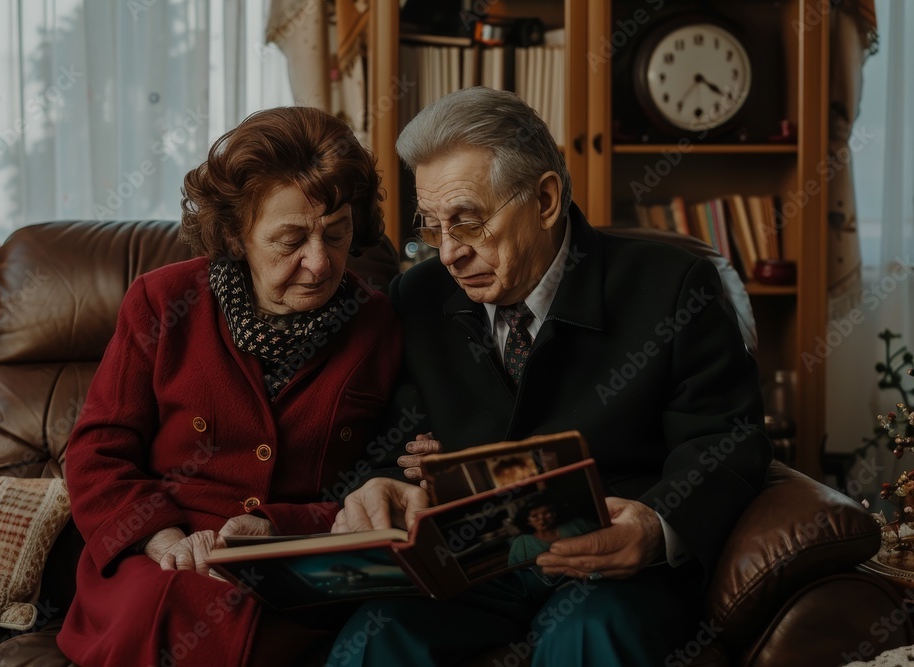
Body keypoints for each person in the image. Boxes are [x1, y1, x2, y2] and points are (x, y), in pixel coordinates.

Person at [328, 87, 772, 667]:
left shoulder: (671, 286)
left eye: (467, 221)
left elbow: (727, 439)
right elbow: (396, 444)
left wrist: (657, 523)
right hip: (472, 567)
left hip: (611, 567)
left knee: (589, 637)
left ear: (544, 198)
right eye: (432, 227)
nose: (449, 253)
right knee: (374, 640)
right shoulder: (418, 295)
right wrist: (386, 483)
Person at [57, 107, 402, 667]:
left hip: (295, 565)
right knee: (168, 600)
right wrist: (165, 540)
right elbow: (97, 453)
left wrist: (277, 526)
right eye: (290, 240)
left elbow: (380, 480)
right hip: (159, 557)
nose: (318, 263)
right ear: (236, 235)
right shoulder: (163, 302)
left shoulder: (378, 325)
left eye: (335, 234)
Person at [507, 494, 600, 567]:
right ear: (527, 521)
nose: (542, 519)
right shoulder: (522, 544)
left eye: (546, 513)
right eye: (534, 516)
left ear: (554, 513)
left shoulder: (578, 525)